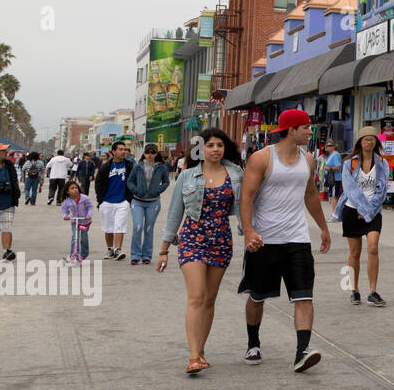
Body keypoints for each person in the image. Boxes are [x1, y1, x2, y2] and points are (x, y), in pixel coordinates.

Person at [238, 109, 332, 372]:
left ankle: (302, 351)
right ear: (291, 130)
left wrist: (323, 227)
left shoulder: (308, 159)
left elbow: (311, 195)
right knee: (257, 296)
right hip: (264, 240)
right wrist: (248, 231)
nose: (310, 131)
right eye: (306, 127)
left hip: (297, 239)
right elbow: (246, 196)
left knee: (304, 296)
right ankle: (253, 342)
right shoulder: (262, 158)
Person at [159, 128, 244, 375]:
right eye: (210, 145)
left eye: (219, 145)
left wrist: (250, 233)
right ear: (200, 149)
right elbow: (175, 213)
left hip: (221, 239)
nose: (215, 149)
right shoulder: (187, 177)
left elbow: (244, 207)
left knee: (209, 299)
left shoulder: (236, 174)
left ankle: (201, 349)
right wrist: (164, 250)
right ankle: (193, 356)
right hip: (192, 239)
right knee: (197, 296)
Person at [339, 126, 388, 306]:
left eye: (373, 139)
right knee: (355, 252)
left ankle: (373, 291)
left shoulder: (382, 162)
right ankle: (354, 289)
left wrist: (368, 210)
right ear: (360, 142)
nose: (370, 142)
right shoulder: (349, 163)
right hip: (352, 210)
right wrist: (360, 208)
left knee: (373, 248)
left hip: (373, 211)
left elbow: (382, 189)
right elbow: (349, 189)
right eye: (366, 139)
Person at [127, 143, 171, 265]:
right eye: (147, 152)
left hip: (153, 202)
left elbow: (166, 182)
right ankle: (135, 255)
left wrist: (158, 190)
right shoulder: (138, 166)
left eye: (152, 152)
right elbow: (130, 181)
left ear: (156, 154)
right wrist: (136, 190)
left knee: (148, 228)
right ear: (144, 153)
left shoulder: (161, 167)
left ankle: (146, 255)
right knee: (138, 227)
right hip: (137, 201)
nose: (149, 155)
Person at [94, 140, 135, 260]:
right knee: (108, 228)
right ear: (113, 151)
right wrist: (101, 200)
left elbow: (133, 181)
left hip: (123, 201)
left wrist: (128, 199)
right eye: (120, 149)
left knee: (120, 226)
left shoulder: (129, 165)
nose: (123, 152)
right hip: (107, 201)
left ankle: (118, 250)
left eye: (124, 149)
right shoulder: (106, 166)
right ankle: (110, 249)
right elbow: (99, 183)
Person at [61, 180, 93, 263]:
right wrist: (65, 216)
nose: (75, 189)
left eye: (76, 188)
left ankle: (84, 254)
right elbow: (64, 211)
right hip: (75, 221)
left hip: (85, 221)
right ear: (67, 191)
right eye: (72, 188)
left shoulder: (84, 198)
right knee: (74, 238)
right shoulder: (66, 201)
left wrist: (89, 215)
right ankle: (73, 255)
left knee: (84, 238)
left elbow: (90, 207)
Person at [0, 143, 18, 262]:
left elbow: (14, 178)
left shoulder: (9, 165)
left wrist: (16, 191)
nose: (6, 153)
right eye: (3, 151)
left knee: (7, 228)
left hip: (8, 203)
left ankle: (7, 251)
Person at [321, 139, 344, 223]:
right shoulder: (331, 155)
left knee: (334, 197)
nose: (327, 147)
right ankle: (336, 214)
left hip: (335, 179)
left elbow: (339, 166)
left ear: (334, 146)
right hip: (331, 179)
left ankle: (335, 215)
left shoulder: (335, 155)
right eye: (326, 145)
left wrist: (329, 168)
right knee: (332, 196)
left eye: (330, 145)